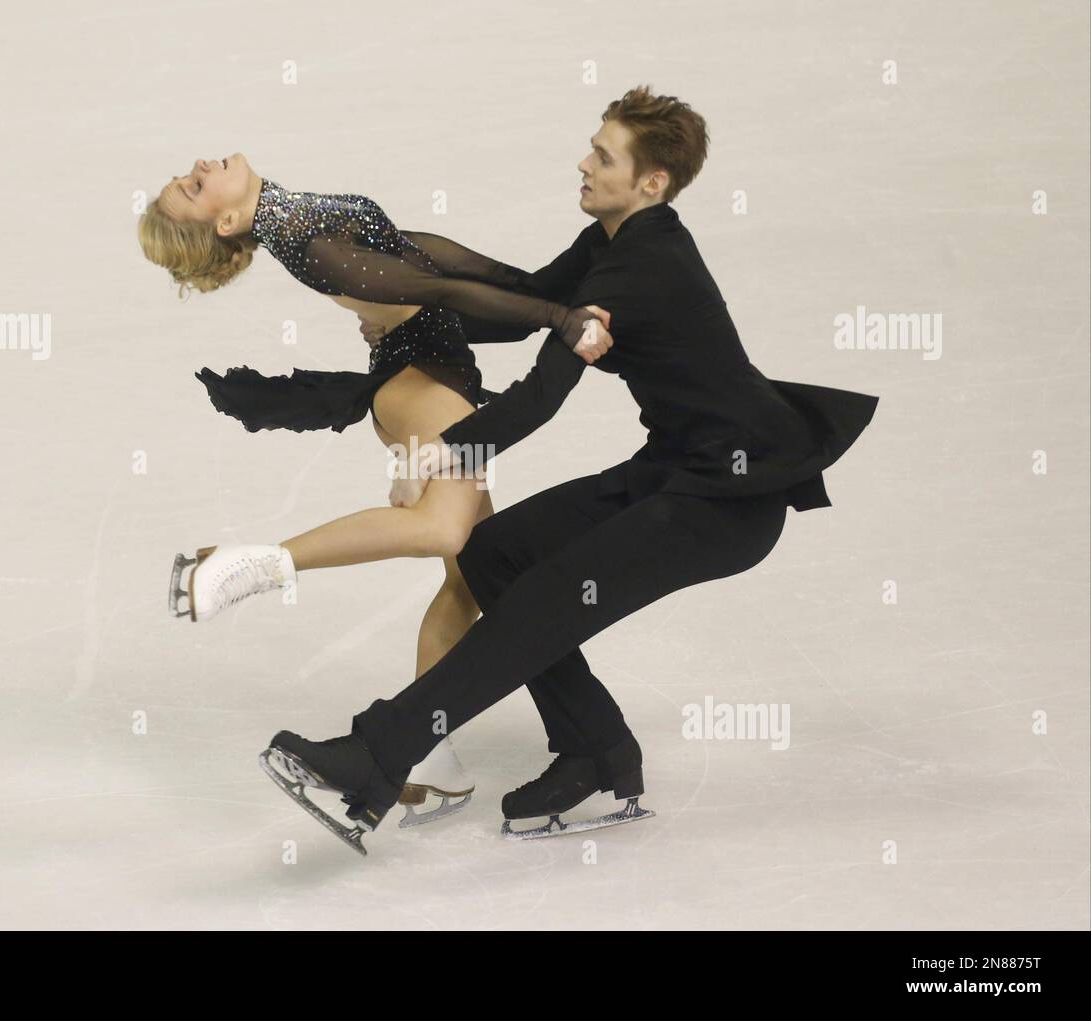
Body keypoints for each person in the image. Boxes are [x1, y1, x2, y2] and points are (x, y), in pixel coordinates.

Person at [257, 86, 881, 856]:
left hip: (727, 498)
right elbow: (526, 300)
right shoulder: (615, 243)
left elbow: (541, 396)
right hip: (674, 469)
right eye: (593, 145)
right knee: (495, 554)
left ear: (652, 181)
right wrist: (395, 300)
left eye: (604, 155)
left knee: (549, 596)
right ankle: (596, 752)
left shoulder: (642, 267)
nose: (583, 162)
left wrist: (441, 452)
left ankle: (377, 754)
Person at [138, 156, 612, 825]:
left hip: (437, 369)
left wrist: (539, 294)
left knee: (476, 570)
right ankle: (250, 567)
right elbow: (438, 290)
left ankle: (431, 756)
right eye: (192, 187)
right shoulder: (301, 239)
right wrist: (556, 316)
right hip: (421, 379)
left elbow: (421, 255)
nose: (195, 168)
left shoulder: (290, 209)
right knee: (446, 529)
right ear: (222, 219)